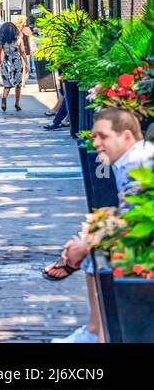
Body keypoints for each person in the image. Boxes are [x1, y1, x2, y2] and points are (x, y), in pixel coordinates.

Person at [45, 108, 154, 342]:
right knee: (94, 250)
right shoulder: (129, 158)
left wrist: (88, 242)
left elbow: (135, 218)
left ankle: (99, 334)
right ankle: (95, 331)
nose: (96, 143)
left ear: (125, 136)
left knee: (99, 255)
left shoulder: (137, 162)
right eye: (93, 136)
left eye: (102, 136)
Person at [0, 19, 26, 112]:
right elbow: (22, 52)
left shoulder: (2, 41)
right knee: (18, 85)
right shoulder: (18, 39)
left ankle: (4, 98)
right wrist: (26, 63)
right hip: (17, 63)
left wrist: (0, 61)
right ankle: (17, 104)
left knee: (7, 85)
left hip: (6, 63)